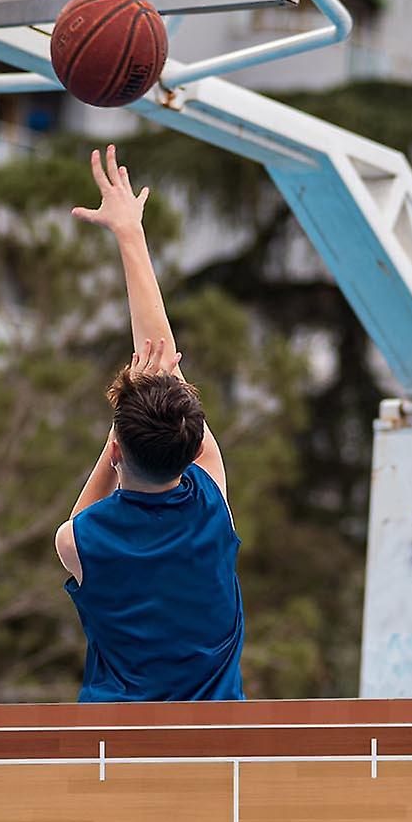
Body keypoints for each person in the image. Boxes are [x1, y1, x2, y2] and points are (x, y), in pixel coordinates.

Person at [56, 146, 244, 702]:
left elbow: (83, 519)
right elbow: (162, 356)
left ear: (116, 449)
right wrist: (131, 234)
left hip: (115, 738)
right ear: (191, 448)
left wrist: (127, 234)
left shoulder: (80, 541)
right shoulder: (210, 503)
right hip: (217, 739)